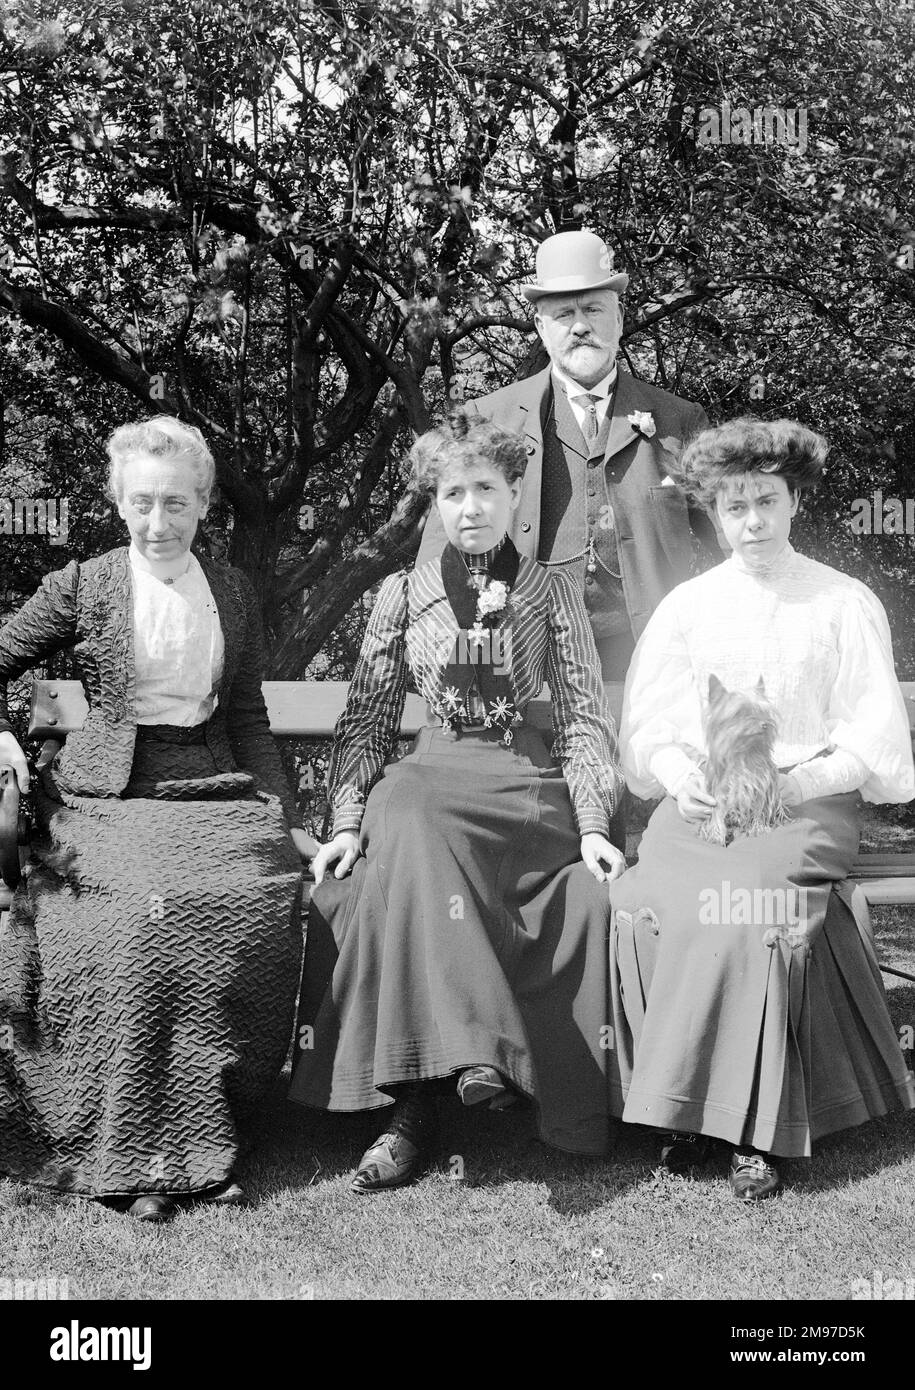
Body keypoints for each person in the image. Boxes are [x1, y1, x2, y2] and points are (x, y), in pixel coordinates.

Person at [290, 411, 626, 1192]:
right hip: (433, 769)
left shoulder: (550, 591)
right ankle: (454, 1071)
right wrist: (343, 824)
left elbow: (581, 718)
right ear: (434, 506)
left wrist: (593, 826)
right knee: (401, 812)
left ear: (514, 498)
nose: (468, 507)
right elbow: (368, 720)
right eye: (451, 493)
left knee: (543, 880)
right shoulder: (401, 594)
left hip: (521, 778)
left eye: (484, 489)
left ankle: (423, 1097)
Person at [0, 416, 306, 1222]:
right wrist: (4, 734)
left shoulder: (232, 592)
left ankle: (202, 1133)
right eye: (142, 503)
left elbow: (247, 716)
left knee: (242, 899)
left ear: (204, 504)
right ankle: (124, 1150)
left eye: (176, 504)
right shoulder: (84, 583)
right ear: (117, 500)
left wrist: (279, 813)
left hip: (214, 791)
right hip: (109, 799)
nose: (158, 523)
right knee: (140, 919)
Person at [607, 417, 915, 1200]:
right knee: (644, 900)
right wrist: (682, 778)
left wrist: (796, 785)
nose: (750, 523)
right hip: (707, 805)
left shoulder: (842, 602)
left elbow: (874, 745)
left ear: (793, 503)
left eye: (765, 503)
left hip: (803, 806)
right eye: (733, 507)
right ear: (713, 513)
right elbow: (652, 729)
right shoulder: (687, 607)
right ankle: (676, 1106)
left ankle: (749, 1128)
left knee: (744, 909)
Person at [416, 229, 721, 683]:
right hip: (522, 658)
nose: (580, 326)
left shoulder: (680, 420)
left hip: (649, 662)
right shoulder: (488, 418)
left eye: (594, 310)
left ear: (618, 320)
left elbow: (730, 543)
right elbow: (442, 557)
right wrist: (458, 667)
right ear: (541, 328)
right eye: (563, 314)